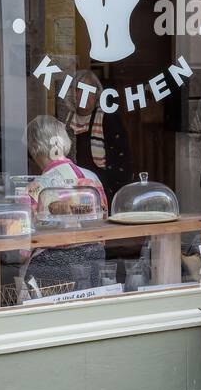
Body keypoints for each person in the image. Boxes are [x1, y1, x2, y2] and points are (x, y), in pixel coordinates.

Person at [21, 115, 106, 299]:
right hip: (94, 261)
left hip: (51, 268)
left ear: (34, 148)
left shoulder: (34, 189)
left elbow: (23, 249)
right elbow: (103, 226)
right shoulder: (92, 178)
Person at [63, 69, 133, 203]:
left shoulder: (107, 118)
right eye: (80, 90)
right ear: (73, 94)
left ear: (97, 95)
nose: (84, 95)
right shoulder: (65, 119)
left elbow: (122, 159)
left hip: (103, 191)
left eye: (90, 91)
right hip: (71, 190)